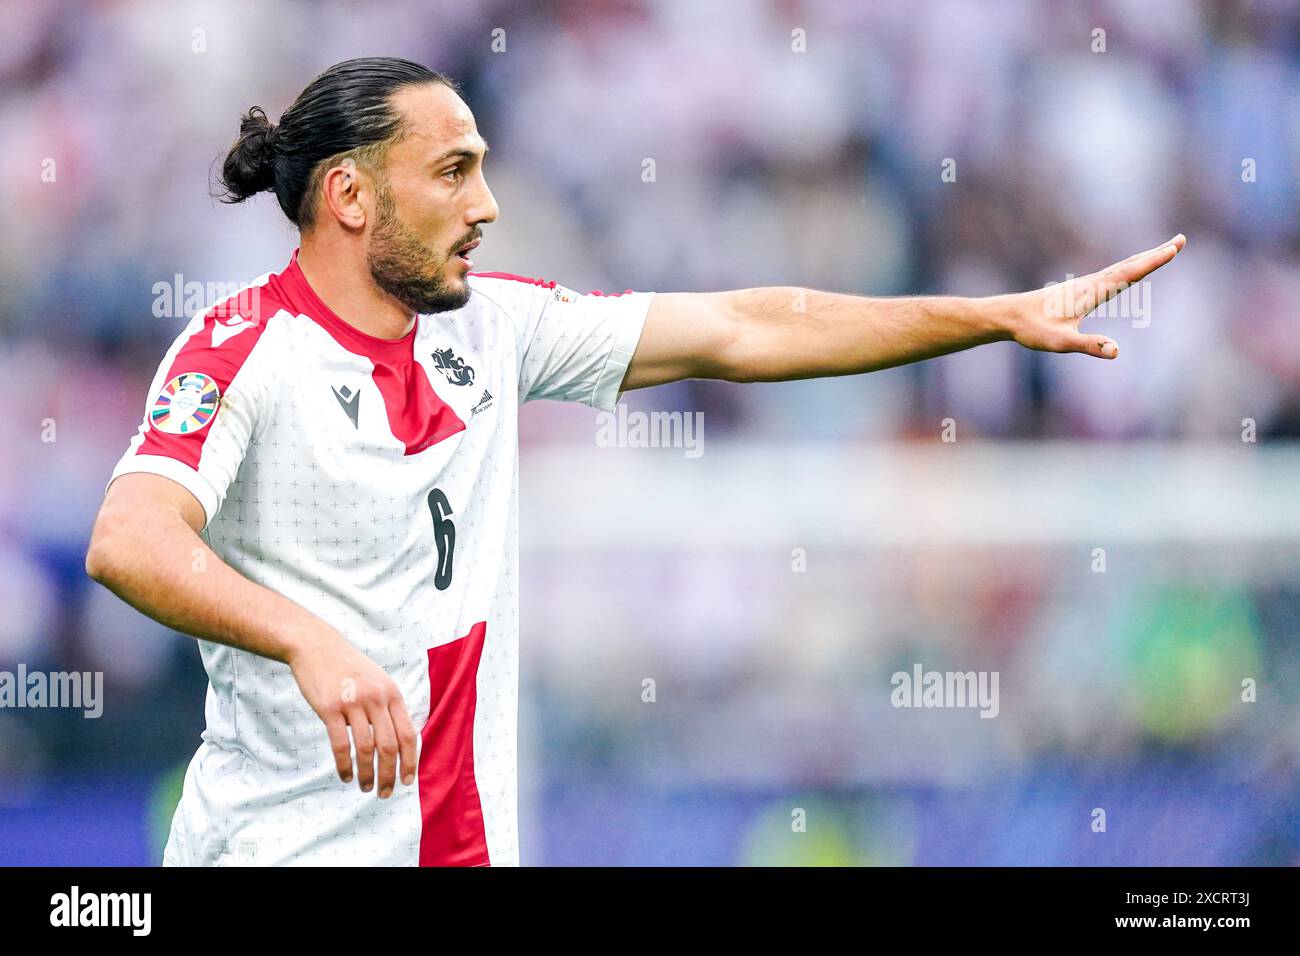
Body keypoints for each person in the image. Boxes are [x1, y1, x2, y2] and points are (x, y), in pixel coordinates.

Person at [84, 56, 1185, 866]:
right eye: (453, 172)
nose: (487, 205)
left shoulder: (491, 328)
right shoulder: (240, 349)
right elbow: (128, 538)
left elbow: (747, 330)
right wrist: (307, 639)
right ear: (351, 195)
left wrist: (989, 315)